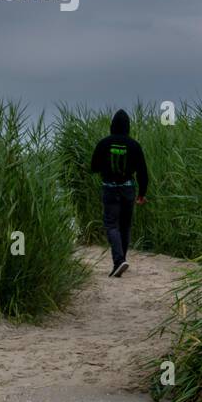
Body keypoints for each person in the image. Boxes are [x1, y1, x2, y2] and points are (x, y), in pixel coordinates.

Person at [88, 109, 149, 277]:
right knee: (125, 226)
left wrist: (105, 167)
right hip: (128, 189)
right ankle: (121, 260)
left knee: (111, 225)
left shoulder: (104, 143)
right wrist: (142, 194)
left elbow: (93, 166)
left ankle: (119, 261)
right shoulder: (134, 145)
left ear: (112, 125)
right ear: (128, 126)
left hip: (110, 188)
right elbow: (143, 172)